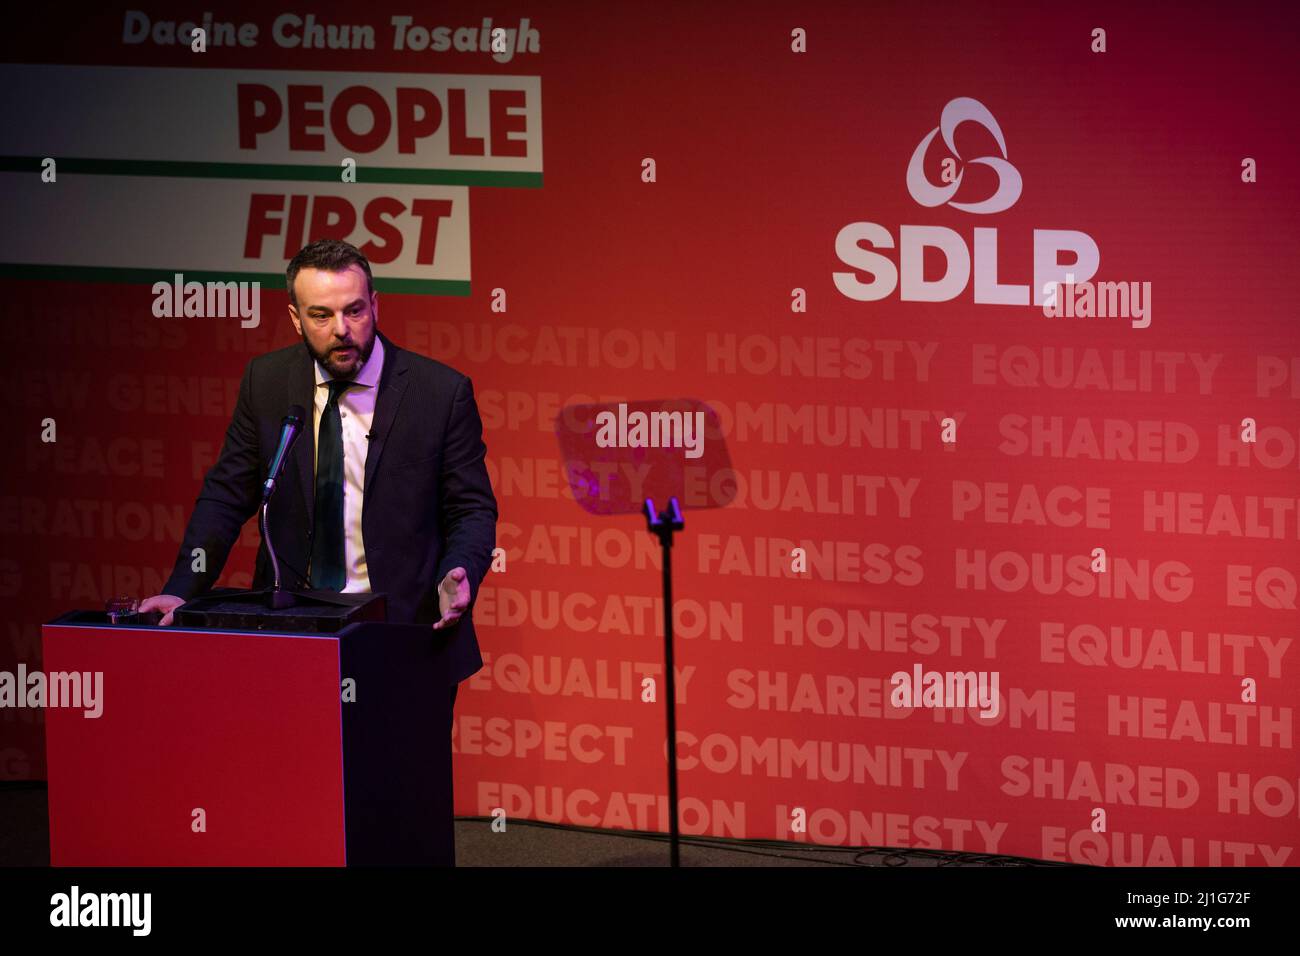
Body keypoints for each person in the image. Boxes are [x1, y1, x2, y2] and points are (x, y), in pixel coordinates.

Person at [140, 237, 497, 722]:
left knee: (397, 790)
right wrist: (184, 588)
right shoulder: (265, 383)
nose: (341, 331)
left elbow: (471, 508)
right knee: (297, 785)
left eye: (354, 311)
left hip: (404, 632)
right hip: (292, 631)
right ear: (295, 318)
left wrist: (460, 571)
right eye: (321, 316)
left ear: (376, 304)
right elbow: (226, 496)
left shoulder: (439, 393)